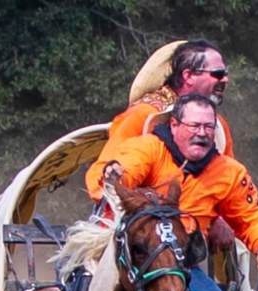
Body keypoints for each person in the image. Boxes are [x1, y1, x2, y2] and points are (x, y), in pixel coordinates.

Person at [93, 95, 258, 291]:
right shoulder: (148, 149)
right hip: (126, 256)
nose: (202, 133)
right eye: (194, 125)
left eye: (208, 127)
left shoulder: (229, 173)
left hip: (181, 265)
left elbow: (252, 217)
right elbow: (121, 172)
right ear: (174, 125)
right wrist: (117, 174)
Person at [85, 40, 237, 253]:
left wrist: (220, 217)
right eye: (218, 74)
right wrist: (148, 212)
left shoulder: (218, 127)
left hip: (183, 246)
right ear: (188, 76)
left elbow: (227, 185)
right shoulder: (143, 115)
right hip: (126, 244)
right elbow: (99, 183)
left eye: (225, 73)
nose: (225, 80)